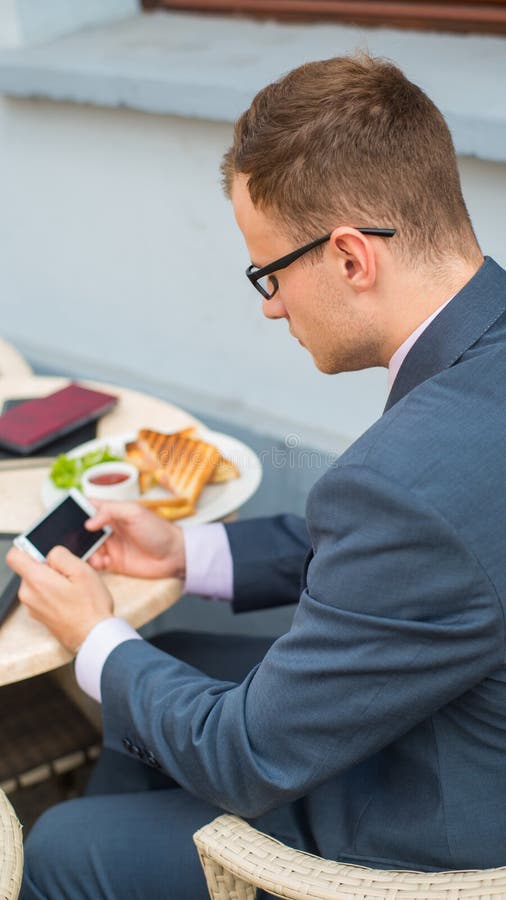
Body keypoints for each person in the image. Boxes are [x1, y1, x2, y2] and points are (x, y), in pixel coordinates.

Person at [8, 52, 506, 899]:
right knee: (169, 670)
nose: (270, 304)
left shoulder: (409, 477)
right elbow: (414, 556)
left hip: (425, 821)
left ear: (351, 258)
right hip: (453, 715)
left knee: (63, 842)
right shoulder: (475, 360)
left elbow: (245, 756)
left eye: (268, 273)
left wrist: (95, 636)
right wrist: (186, 554)